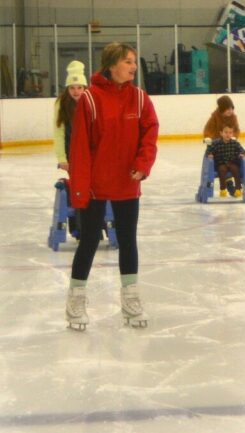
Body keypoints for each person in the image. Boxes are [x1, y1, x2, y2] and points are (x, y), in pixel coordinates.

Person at [65, 42, 159, 331]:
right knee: (90, 240)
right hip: (96, 185)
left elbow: (150, 132)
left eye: (134, 62)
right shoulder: (90, 100)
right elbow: (80, 148)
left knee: (128, 240)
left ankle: (130, 298)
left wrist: (143, 165)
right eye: (127, 61)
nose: (133, 66)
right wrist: (80, 190)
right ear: (111, 65)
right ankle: (76, 299)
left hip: (128, 181)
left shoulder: (140, 99)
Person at [54, 60, 88, 172]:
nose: (76, 91)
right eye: (72, 88)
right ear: (67, 89)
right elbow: (58, 131)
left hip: (90, 153)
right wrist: (62, 158)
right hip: (71, 153)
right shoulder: (61, 103)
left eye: (79, 87)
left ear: (85, 88)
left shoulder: (91, 101)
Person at [205, 125, 245, 198]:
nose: (228, 134)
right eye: (226, 132)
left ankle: (238, 189)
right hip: (221, 164)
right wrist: (209, 154)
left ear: (232, 134)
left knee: (236, 170)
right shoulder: (216, 143)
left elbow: (242, 150)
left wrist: (242, 154)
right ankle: (223, 190)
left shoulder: (235, 143)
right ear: (221, 133)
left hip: (232, 163)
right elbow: (208, 150)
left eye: (230, 133)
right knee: (222, 170)